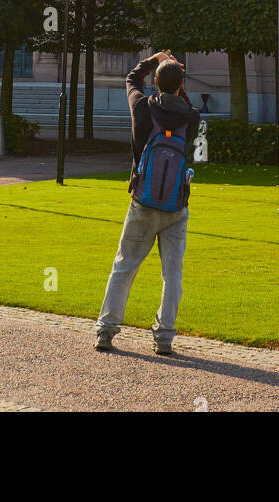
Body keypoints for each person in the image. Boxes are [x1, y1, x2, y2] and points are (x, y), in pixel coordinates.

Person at [95, 49, 199, 355]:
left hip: (142, 201)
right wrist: (176, 72)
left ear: (155, 81)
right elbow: (185, 103)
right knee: (172, 275)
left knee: (124, 267)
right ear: (181, 84)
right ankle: (164, 337)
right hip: (176, 208)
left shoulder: (142, 107)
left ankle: (106, 330)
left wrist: (155, 60)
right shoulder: (191, 117)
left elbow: (131, 78)